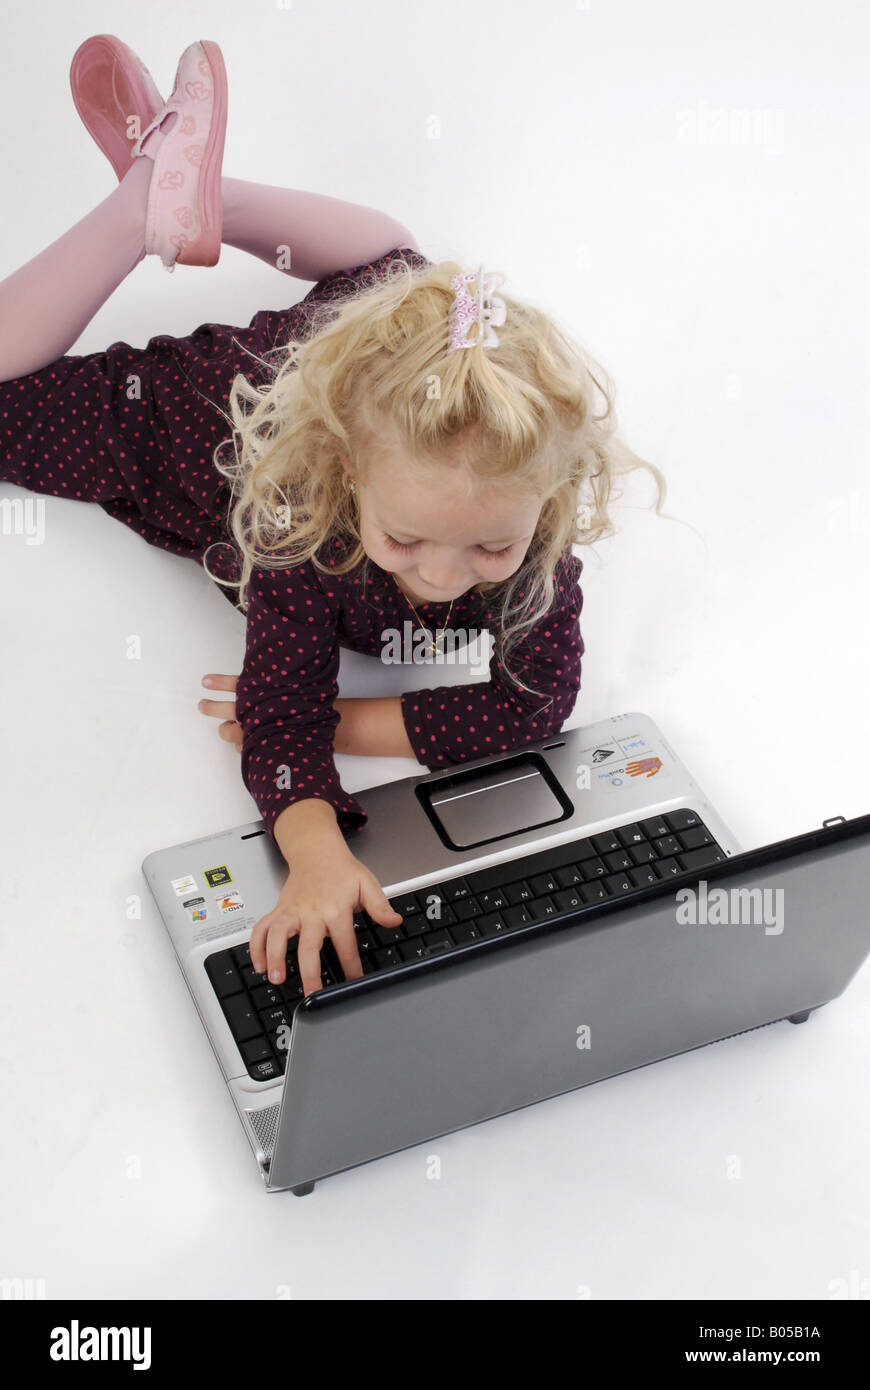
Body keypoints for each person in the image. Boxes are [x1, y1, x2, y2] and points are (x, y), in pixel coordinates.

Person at [0, 35, 667, 1004]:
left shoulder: (533, 521)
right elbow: (276, 726)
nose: (440, 577)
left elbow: (538, 701)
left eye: (490, 544)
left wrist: (346, 718)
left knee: (398, 264)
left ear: (551, 502)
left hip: (386, 338)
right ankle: (145, 204)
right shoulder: (299, 519)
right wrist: (311, 848)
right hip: (218, 419)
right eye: (405, 541)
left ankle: (205, 195)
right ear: (346, 475)